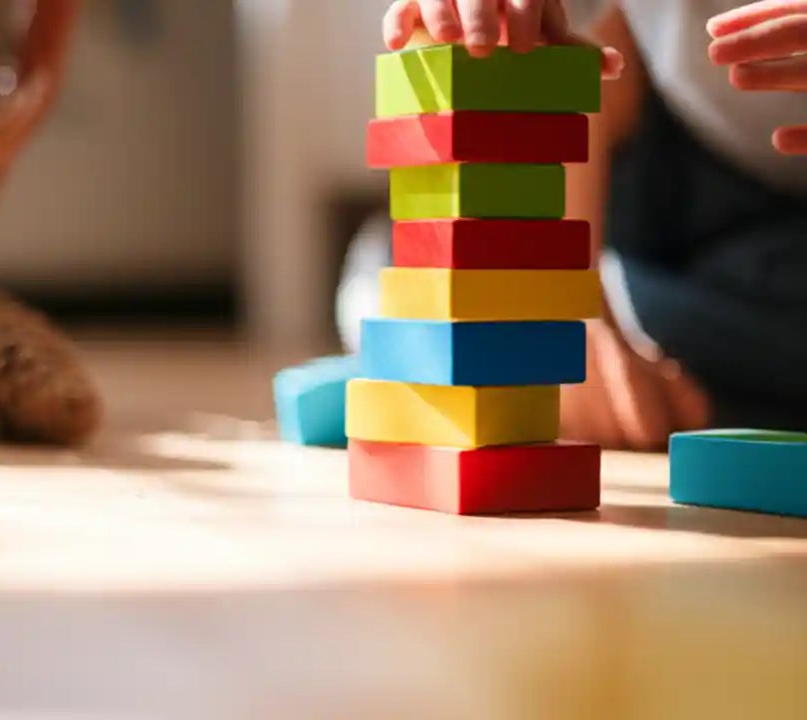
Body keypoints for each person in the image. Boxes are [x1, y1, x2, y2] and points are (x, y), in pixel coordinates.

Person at [339, 0, 807, 450]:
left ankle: (664, 353)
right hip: (653, 148)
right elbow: (574, 41)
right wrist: (569, 303)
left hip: (780, 236)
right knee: (414, 302)